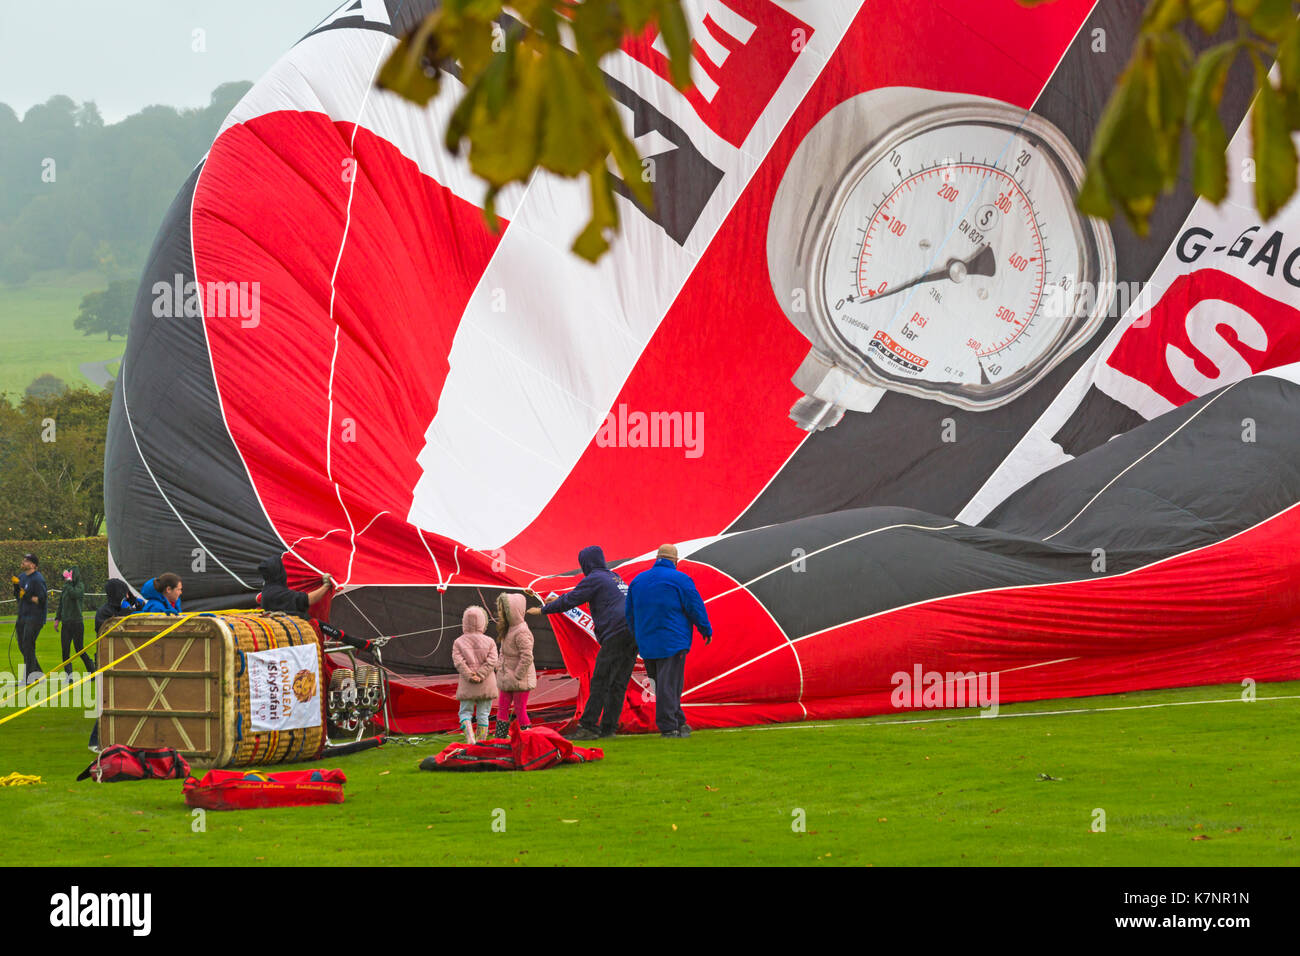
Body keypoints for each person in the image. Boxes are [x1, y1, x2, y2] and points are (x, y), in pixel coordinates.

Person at [528, 545, 634, 740]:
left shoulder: (594, 578)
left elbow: (573, 599)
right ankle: (609, 728)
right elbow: (589, 598)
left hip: (615, 633)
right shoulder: (614, 577)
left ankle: (588, 727)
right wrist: (558, 600)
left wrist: (543, 610)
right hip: (634, 632)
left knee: (600, 680)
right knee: (618, 682)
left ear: (586, 562)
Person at [624, 544, 712, 738]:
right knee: (669, 684)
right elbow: (695, 606)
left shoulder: (638, 581)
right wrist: (705, 628)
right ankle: (668, 727)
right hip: (673, 641)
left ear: (657, 558)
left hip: (647, 642)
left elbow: (629, 613)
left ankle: (679, 722)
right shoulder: (680, 579)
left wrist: (636, 635)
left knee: (661, 684)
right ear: (675, 561)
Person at [88, 580, 144, 752]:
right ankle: (96, 741)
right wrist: (126, 612)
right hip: (107, 659)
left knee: (127, 699)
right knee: (108, 700)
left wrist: (139, 607)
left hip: (126, 659)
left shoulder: (126, 608)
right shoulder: (104, 612)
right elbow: (109, 631)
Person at [452, 605, 499, 744]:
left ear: (464, 621)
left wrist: (470, 675)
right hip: (486, 683)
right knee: (483, 714)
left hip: (468, 684)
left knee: (464, 713)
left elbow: (458, 662)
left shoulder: (458, 642)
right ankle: (481, 742)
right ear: (483, 622)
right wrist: (481, 674)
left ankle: (470, 739)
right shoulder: (490, 641)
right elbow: (493, 661)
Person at [493, 592, 535, 736]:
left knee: (519, 709)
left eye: (502, 609)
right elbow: (502, 651)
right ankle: (500, 739)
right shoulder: (508, 629)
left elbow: (527, 656)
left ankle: (528, 738)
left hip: (519, 679)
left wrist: (517, 675)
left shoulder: (522, 631)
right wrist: (499, 667)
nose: (500, 613)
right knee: (502, 708)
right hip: (506, 677)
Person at [12, 553, 48, 685]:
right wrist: (16, 588)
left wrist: (26, 596)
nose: (23, 562)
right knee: (23, 646)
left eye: (26, 560)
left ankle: (29, 678)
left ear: (33, 565)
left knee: (28, 645)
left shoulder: (37, 579)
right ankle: (38, 673)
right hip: (23, 615)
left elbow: (42, 600)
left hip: (35, 617)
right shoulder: (21, 577)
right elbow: (18, 597)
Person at [258, 555, 332, 617]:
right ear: (278, 572)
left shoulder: (268, 589)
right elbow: (308, 600)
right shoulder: (276, 592)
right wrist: (326, 585)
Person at [54, 565, 93, 678]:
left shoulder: (80, 586)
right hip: (66, 623)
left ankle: (92, 670)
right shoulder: (66, 586)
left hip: (77, 622)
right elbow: (61, 603)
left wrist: (69, 583)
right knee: (65, 650)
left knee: (79, 649)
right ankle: (69, 676)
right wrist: (57, 618)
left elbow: (74, 594)